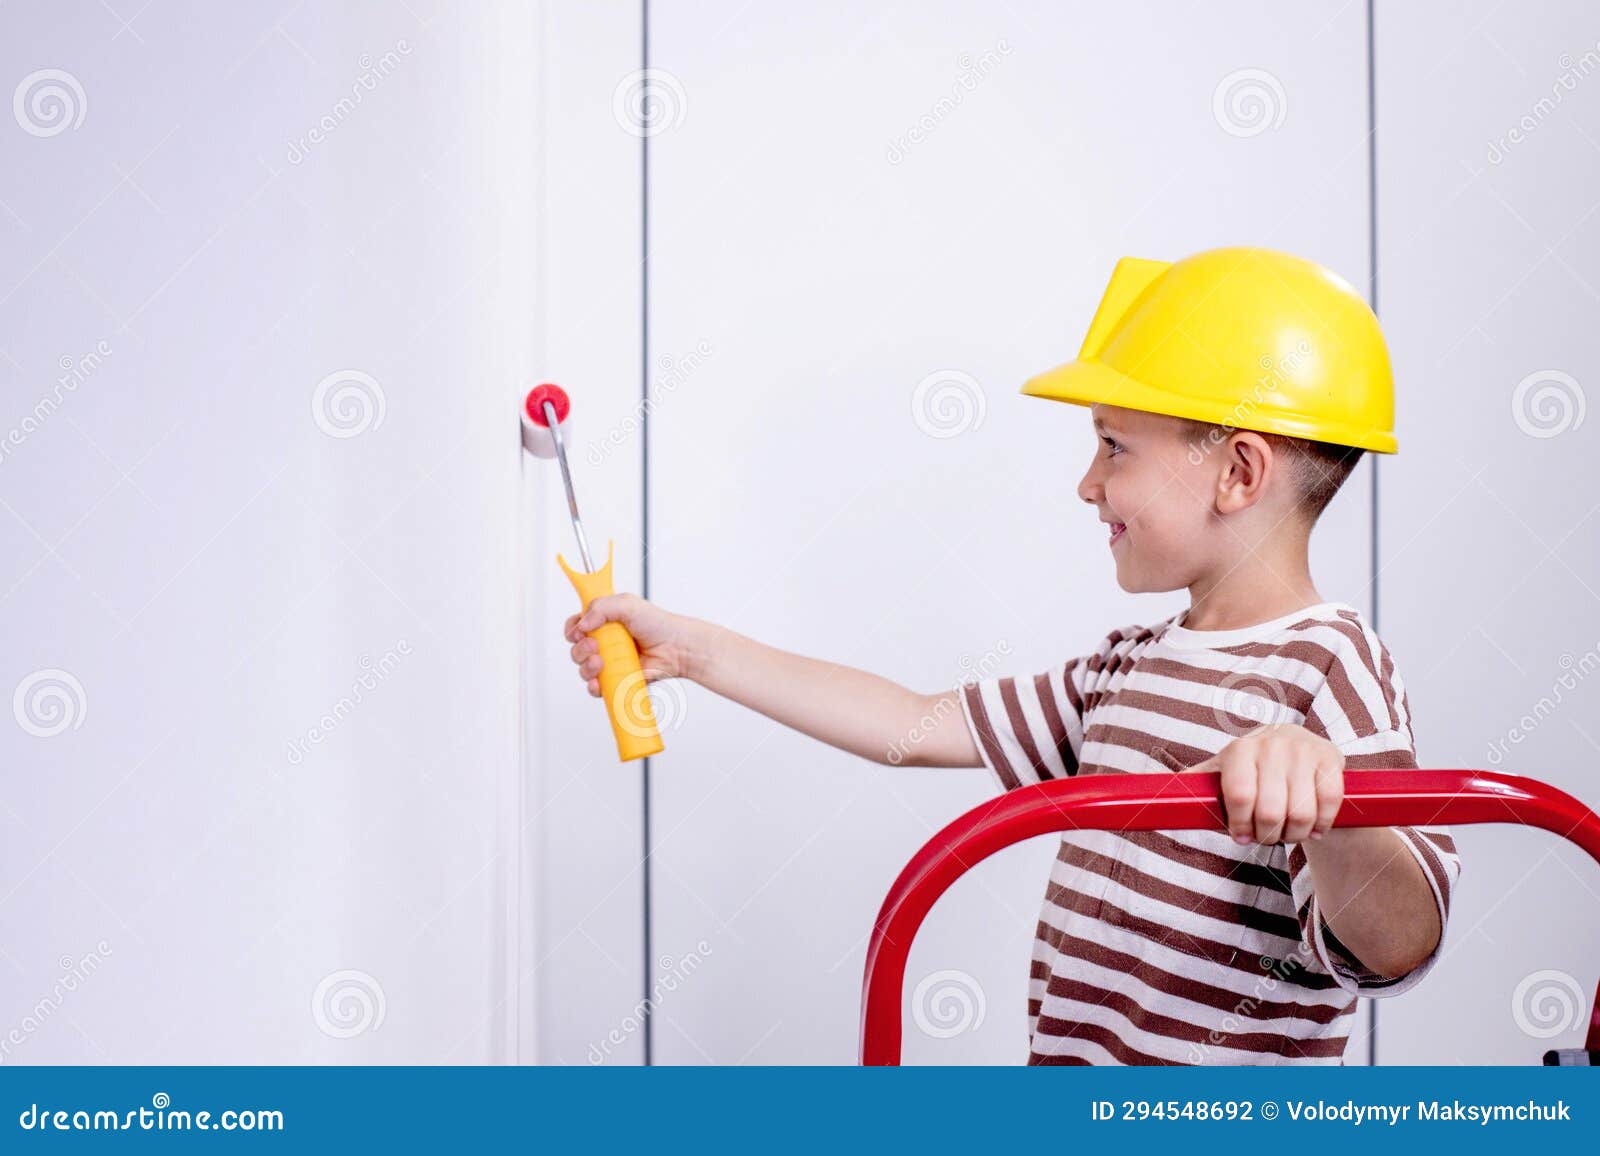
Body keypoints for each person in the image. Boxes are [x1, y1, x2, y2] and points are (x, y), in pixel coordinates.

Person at [561, 247, 1460, 1065]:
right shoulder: (1128, 667)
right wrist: (694, 650)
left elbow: (1399, 944)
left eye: (1114, 445)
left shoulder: (1329, 666)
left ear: (1238, 473)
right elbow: (910, 724)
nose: (1087, 482)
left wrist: (1334, 805)